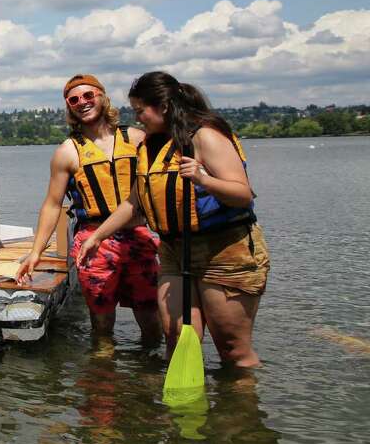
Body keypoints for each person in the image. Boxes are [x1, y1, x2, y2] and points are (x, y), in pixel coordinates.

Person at [77, 71, 269, 368]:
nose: (138, 118)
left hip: (225, 251)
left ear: (163, 106)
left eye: (141, 110)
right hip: (173, 251)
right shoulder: (148, 147)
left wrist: (203, 178)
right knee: (176, 337)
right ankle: (181, 411)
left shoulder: (206, 135)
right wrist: (96, 236)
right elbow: (134, 202)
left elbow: (242, 194)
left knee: (232, 350)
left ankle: (237, 411)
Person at [17, 75, 161, 344]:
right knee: (102, 322)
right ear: (69, 107)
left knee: (150, 316)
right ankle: (103, 376)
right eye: (74, 99)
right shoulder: (68, 152)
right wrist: (35, 253)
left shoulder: (137, 139)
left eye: (88, 96)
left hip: (138, 236)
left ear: (102, 97)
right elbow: (52, 204)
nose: (82, 103)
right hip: (94, 242)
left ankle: (149, 373)